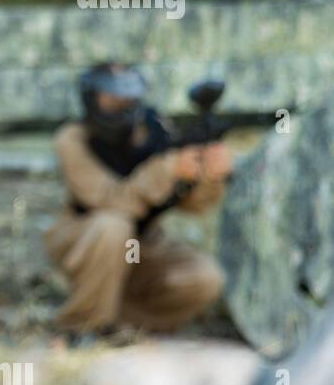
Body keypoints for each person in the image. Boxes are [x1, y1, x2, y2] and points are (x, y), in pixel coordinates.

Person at [44, 62, 231, 337]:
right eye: (112, 98)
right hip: (84, 241)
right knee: (114, 226)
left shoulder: (155, 130)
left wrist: (208, 176)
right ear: (91, 99)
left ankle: (123, 323)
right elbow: (110, 201)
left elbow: (193, 206)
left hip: (143, 247)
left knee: (206, 279)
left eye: (129, 97)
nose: (122, 105)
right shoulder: (72, 139)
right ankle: (80, 328)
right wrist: (167, 169)